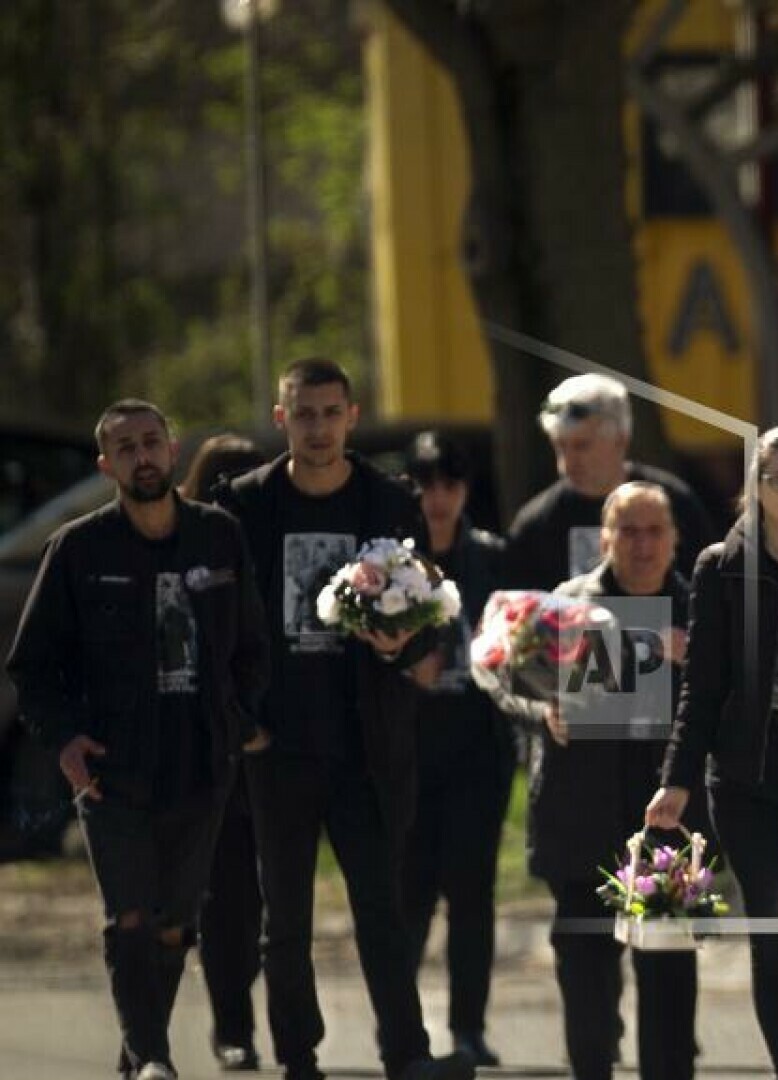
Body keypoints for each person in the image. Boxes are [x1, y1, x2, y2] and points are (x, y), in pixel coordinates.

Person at [212, 361, 474, 1080]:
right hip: (278, 745)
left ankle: (407, 1053)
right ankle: (299, 1058)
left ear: (352, 416)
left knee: (382, 910)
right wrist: (243, 724)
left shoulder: (389, 501)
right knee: (285, 921)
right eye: (304, 413)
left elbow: (426, 610)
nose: (318, 428)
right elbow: (217, 624)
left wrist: (400, 646)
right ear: (281, 418)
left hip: (367, 743)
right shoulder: (244, 505)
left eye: (331, 413)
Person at [8, 401, 270, 1080]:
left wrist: (237, 719)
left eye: (151, 442)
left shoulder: (218, 537)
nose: (142, 457)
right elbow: (32, 667)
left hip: (200, 762)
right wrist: (65, 740)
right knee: (128, 916)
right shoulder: (78, 549)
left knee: (175, 924)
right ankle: (155, 1057)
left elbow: (252, 646)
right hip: (111, 767)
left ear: (173, 450)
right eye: (125, 448)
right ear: (106, 466)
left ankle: (137, 1053)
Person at [647, 425, 778, 1080]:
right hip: (743, 776)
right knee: (770, 927)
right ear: (756, 488)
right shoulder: (721, 567)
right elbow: (701, 686)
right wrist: (676, 779)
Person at [498, 482, 699, 1080]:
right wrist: (544, 712)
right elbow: (510, 686)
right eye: (628, 531)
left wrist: (697, 662)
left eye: (654, 531)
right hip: (578, 818)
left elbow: (732, 703)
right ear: (604, 538)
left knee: (667, 979)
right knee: (586, 983)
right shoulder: (566, 607)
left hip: (664, 825)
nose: (642, 544)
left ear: (674, 539)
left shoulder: (698, 612)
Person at [397, 432, 514, 1068]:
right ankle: (399, 1027)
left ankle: (469, 1027)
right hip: (408, 755)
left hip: (477, 755)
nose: (437, 498)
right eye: (425, 485)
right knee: (408, 895)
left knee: (471, 897)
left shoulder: (491, 558)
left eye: (449, 484)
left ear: (465, 490)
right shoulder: (388, 566)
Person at [179, 433, 271, 1073]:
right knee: (225, 897)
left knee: (262, 901)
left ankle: (243, 1011)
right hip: (214, 749)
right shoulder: (192, 559)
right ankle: (233, 1024)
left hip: (271, 748)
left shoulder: (265, 554)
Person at [505, 373, 716, 589]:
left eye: (581, 446)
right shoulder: (537, 524)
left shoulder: (674, 505)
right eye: (560, 446)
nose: (567, 462)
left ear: (620, 440)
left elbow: (708, 588)